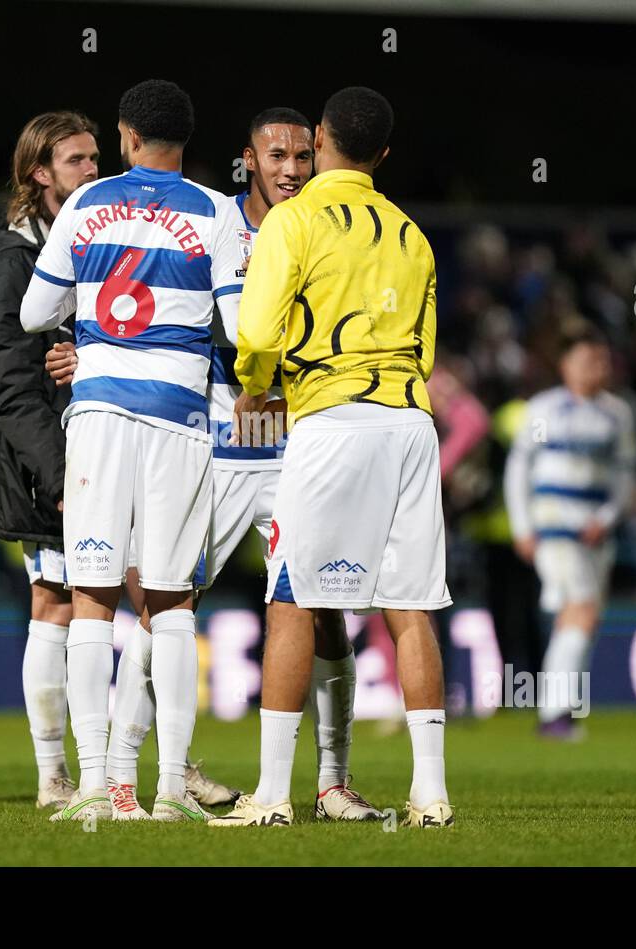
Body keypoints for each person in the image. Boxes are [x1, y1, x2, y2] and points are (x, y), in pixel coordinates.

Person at [47, 108, 382, 821]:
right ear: (248, 161)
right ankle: (126, 777)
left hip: (299, 448)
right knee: (167, 605)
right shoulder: (211, 221)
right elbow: (154, 310)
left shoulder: (327, 228)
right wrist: (96, 349)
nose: (290, 168)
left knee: (321, 611)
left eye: (301, 154)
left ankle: (332, 782)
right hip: (217, 446)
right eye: (276, 155)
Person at [212, 87, 453, 829]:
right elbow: (429, 345)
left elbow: (256, 330)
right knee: (408, 604)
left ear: (319, 140)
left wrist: (254, 389)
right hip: (410, 423)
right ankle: (431, 796)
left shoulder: (295, 218)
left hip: (331, 418)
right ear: (383, 153)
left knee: (292, 599)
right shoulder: (414, 236)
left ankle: (272, 797)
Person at [19, 79, 247, 824]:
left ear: (123, 135)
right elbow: (244, 330)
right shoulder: (216, 213)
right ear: (187, 139)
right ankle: (170, 791)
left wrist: (92, 329)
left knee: (91, 601)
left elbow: (33, 312)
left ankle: (92, 789)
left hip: (100, 416)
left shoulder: (86, 204)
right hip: (180, 418)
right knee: (173, 604)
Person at [0, 111, 99, 810]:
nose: (92, 169)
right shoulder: (14, 262)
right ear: (39, 174)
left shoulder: (95, 241)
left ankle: (153, 763)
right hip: (50, 465)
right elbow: (13, 389)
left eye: (95, 156)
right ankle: (55, 774)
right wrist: (59, 479)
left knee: (140, 600)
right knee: (55, 602)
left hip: (109, 446)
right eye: (77, 160)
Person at [504, 322, 636, 739]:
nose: (595, 367)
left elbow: (626, 474)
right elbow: (517, 469)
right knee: (581, 608)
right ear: (565, 365)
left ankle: (564, 711)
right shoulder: (542, 409)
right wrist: (522, 527)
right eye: (586, 359)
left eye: (601, 360)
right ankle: (554, 714)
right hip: (554, 528)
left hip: (595, 533)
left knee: (581, 616)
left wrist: (608, 517)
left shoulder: (618, 414)